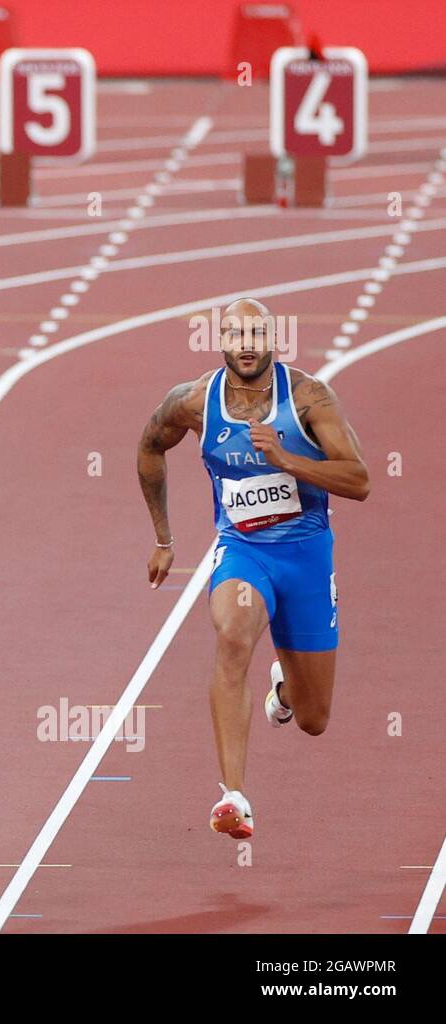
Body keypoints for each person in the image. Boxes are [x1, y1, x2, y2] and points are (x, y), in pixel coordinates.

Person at [136, 297, 369, 838]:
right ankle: (233, 797)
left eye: (255, 335)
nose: (246, 345)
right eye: (235, 335)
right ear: (221, 340)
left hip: (306, 557)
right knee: (233, 634)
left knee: (313, 719)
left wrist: (289, 460)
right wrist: (164, 539)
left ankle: (284, 692)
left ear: (272, 339)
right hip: (243, 551)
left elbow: (359, 481)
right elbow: (150, 445)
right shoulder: (194, 401)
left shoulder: (309, 397)